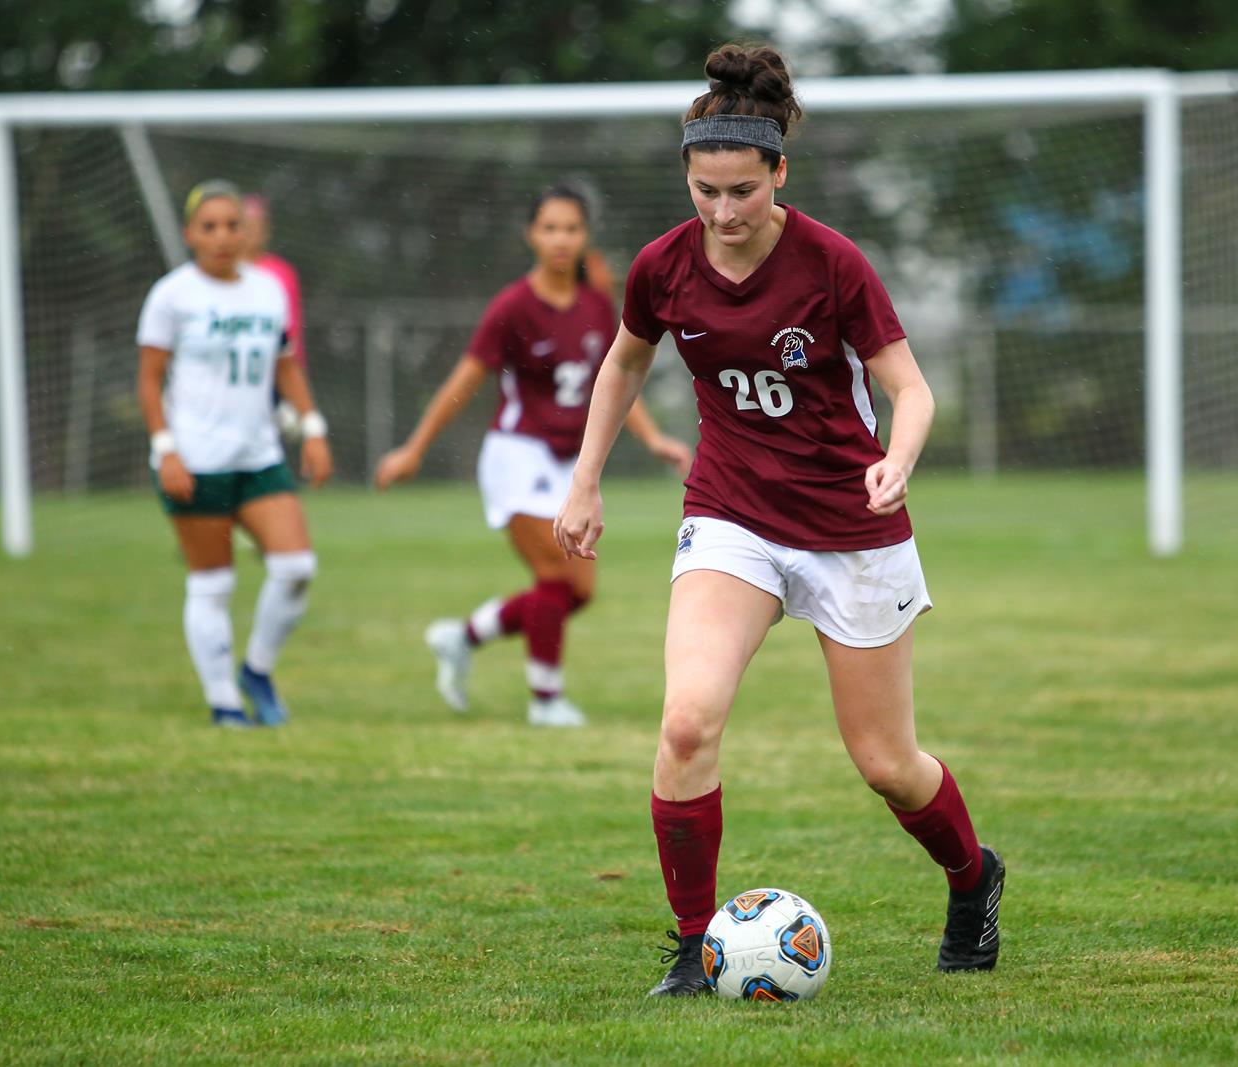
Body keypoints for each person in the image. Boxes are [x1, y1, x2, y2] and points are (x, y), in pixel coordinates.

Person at [553, 44, 1005, 995]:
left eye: (743, 192)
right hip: (732, 516)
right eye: (705, 190)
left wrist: (898, 457)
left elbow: (910, 390)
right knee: (686, 722)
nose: (722, 213)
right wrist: (585, 477)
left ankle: (973, 878)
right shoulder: (660, 267)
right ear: (688, 175)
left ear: (779, 173)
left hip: (852, 525)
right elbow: (625, 363)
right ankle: (688, 945)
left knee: (886, 764)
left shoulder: (834, 263)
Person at [375, 185, 693, 729]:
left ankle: (464, 637)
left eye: (571, 228)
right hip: (516, 456)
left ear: (584, 235)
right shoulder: (514, 306)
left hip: (568, 465)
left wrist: (654, 439)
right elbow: (462, 383)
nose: (560, 239)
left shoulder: (597, 305)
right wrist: (414, 448)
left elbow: (611, 382)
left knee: (577, 590)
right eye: (549, 228)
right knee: (554, 569)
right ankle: (546, 700)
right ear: (531, 235)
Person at [136, 180, 334, 728]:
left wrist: (313, 428)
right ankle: (224, 701)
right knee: (213, 583)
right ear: (189, 234)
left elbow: (285, 364)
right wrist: (166, 450)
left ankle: (257, 670)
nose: (222, 237)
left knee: (296, 566)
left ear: (248, 232)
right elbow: (150, 382)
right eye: (210, 226)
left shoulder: (268, 290)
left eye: (232, 225)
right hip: (196, 461)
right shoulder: (172, 295)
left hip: (259, 455)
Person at [239, 194, 309, 437]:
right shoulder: (222, 273)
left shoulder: (281, 274)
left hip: (272, 376)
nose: (253, 233)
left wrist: (293, 385)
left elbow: (291, 332)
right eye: (246, 226)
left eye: (259, 226)